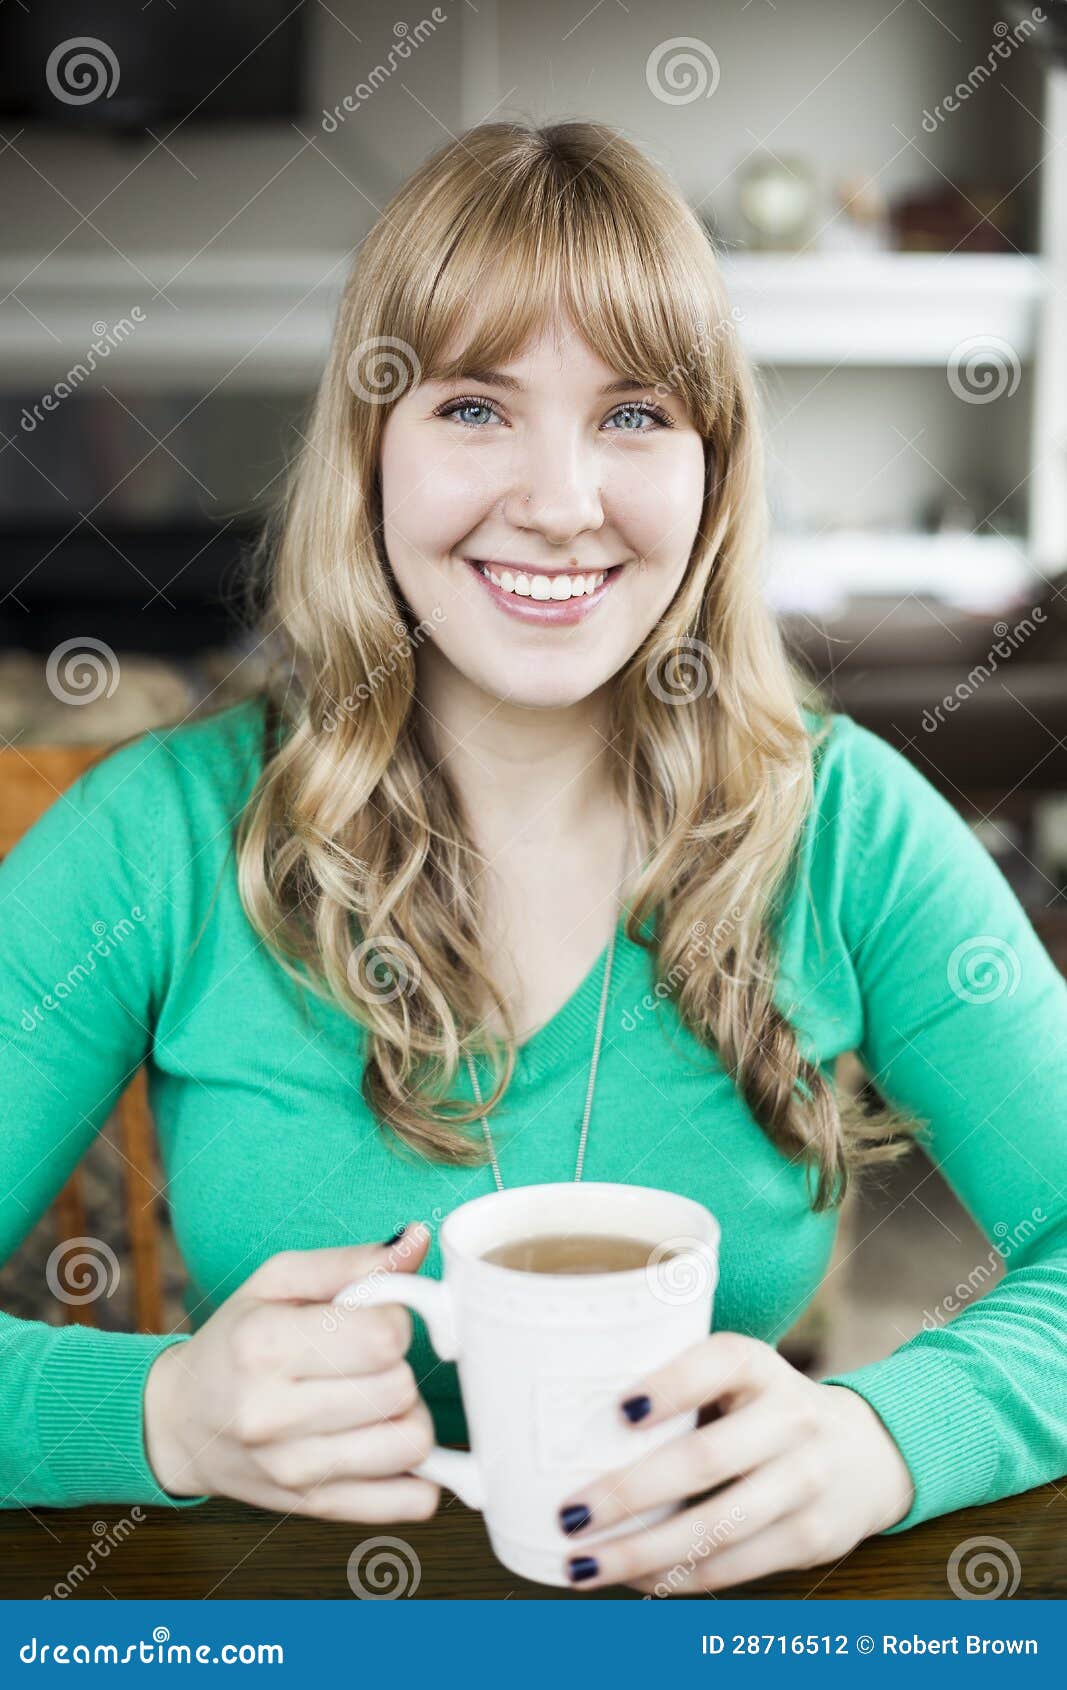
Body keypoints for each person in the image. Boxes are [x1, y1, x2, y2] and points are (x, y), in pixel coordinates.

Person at [1, 120, 1064, 1598]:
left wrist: (888, 1435)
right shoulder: (160, 837)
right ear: (370, 445)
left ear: (714, 467)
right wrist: (156, 1413)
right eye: (476, 407)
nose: (561, 499)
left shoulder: (845, 826)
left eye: (634, 415)